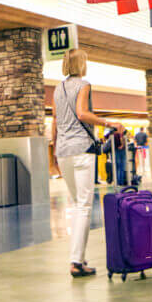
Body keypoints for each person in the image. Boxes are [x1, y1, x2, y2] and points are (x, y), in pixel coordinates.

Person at [52, 48, 123, 278]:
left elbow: (55, 120)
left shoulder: (58, 88)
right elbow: (82, 113)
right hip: (82, 150)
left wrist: (55, 149)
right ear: (80, 64)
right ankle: (75, 261)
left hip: (63, 152)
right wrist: (108, 122)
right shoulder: (83, 84)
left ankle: (80, 259)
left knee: (76, 204)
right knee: (83, 206)